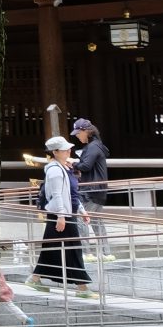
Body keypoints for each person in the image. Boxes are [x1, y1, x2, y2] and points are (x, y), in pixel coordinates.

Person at [26, 137, 94, 297]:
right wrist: (62, 216)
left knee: (52, 248)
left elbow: (72, 194)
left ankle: (35, 278)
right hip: (60, 215)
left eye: (68, 148)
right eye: (64, 149)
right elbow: (56, 195)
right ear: (55, 152)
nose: (68, 151)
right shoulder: (55, 170)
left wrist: (82, 211)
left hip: (63, 214)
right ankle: (82, 287)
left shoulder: (64, 168)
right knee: (72, 248)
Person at [72, 118, 112, 262]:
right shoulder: (97, 145)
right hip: (99, 189)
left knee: (81, 218)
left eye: (78, 133)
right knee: (96, 220)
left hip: (91, 190)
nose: (77, 136)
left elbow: (86, 166)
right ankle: (107, 253)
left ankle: (87, 253)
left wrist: (74, 164)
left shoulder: (93, 147)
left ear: (86, 131)